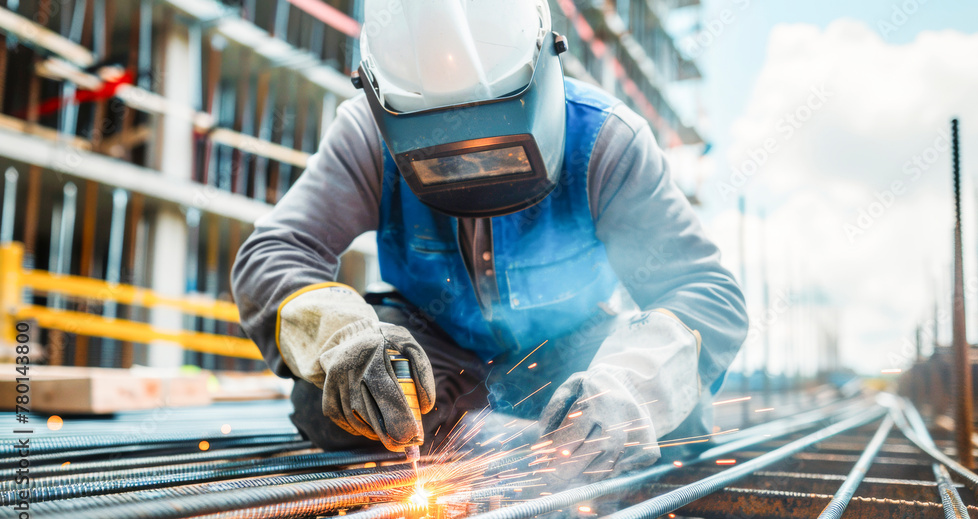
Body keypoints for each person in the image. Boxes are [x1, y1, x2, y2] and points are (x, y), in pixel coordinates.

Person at [232, 0, 748, 485]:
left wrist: (633, 386)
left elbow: (705, 291)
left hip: (566, 360)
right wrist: (341, 337)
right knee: (339, 402)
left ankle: (548, 433)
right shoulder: (367, 136)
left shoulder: (606, 142)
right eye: (442, 150)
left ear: (545, 69)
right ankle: (478, 439)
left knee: (669, 426)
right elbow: (274, 254)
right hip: (433, 358)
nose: (471, 167)